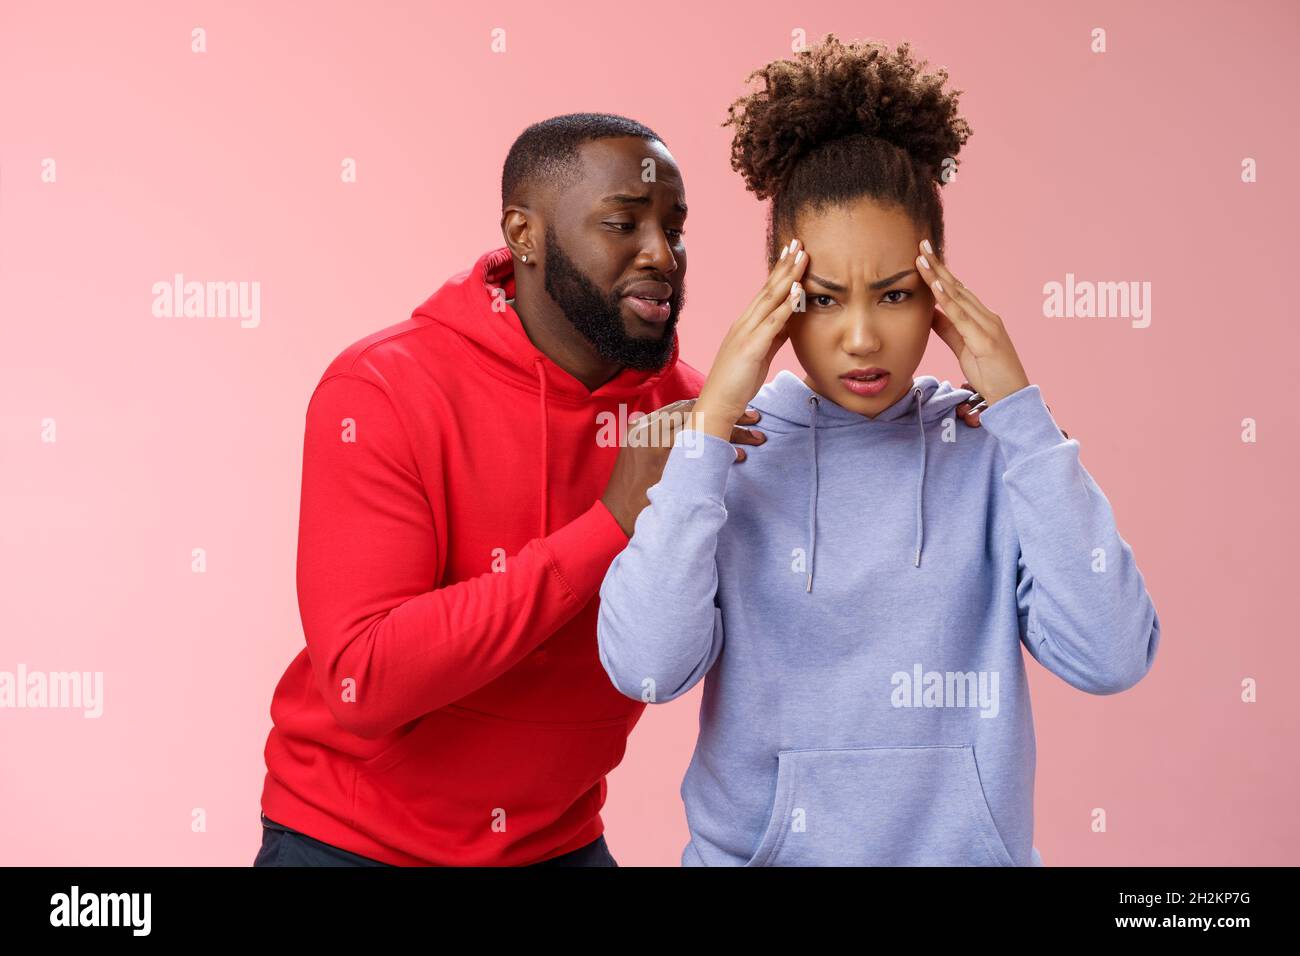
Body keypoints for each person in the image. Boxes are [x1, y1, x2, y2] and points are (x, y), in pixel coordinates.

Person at [596, 35, 1161, 866]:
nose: (862, 337)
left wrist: (1021, 413)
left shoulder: (992, 449)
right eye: (824, 300)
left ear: (941, 292)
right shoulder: (732, 456)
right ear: (778, 302)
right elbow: (646, 667)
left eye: (895, 294)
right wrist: (712, 423)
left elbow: (1111, 657)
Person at [254, 113, 770, 866]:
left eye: (675, 228)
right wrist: (612, 521)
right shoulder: (383, 389)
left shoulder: (693, 419)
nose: (661, 255)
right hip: (349, 846)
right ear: (524, 235)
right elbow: (363, 677)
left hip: (556, 843)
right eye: (622, 223)